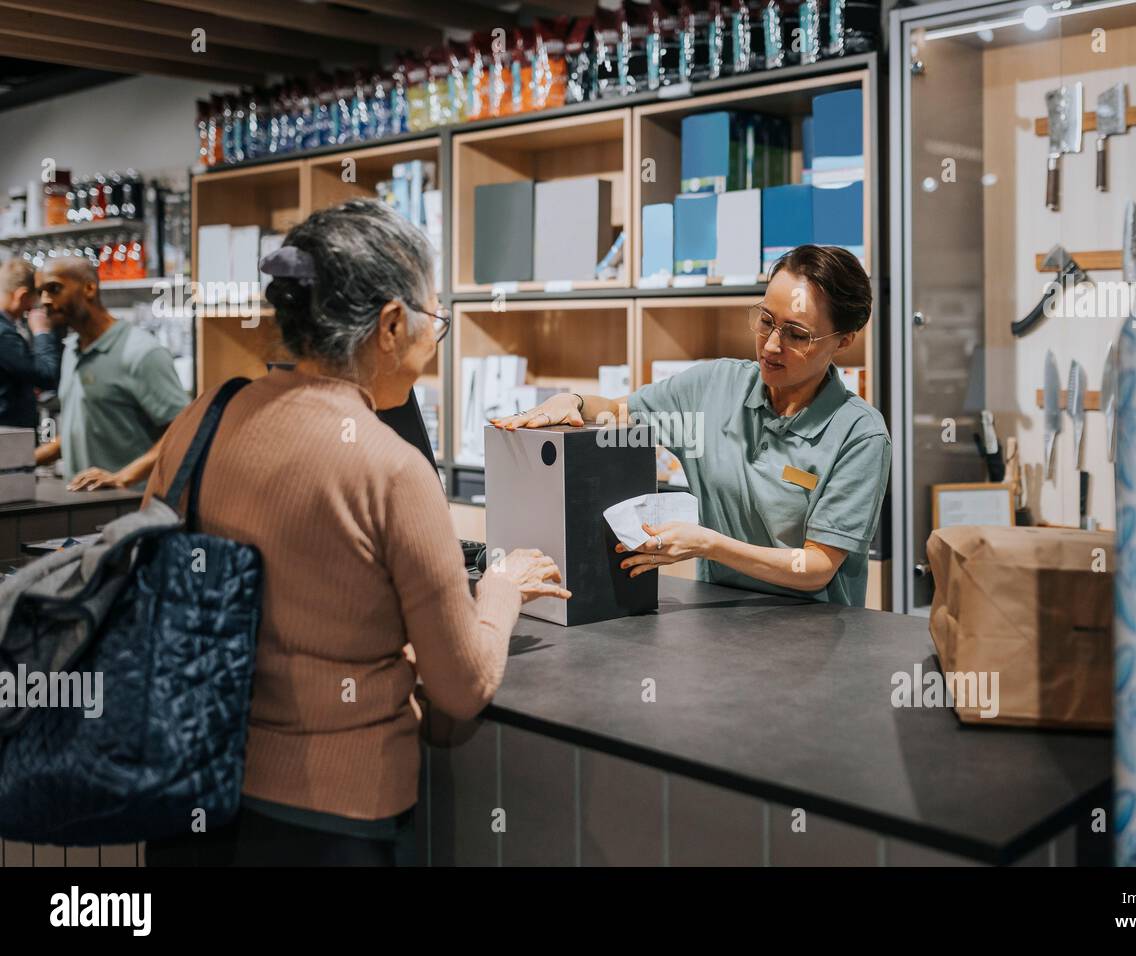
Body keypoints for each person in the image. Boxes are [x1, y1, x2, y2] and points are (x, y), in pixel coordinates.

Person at [144, 198, 568, 867]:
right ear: (392, 325)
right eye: (437, 320)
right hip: (334, 820)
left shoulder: (203, 419)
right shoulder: (389, 468)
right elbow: (460, 685)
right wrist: (503, 587)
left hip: (187, 785)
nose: (438, 336)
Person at [492, 244, 891, 608]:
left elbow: (818, 566)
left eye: (796, 334)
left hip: (819, 636)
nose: (771, 345)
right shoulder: (714, 388)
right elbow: (620, 413)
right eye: (766, 321)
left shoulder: (859, 434)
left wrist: (708, 544)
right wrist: (574, 402)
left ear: (844, 341)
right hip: (718, 620)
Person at [32, 256, 189, 490]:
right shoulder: (72, 351)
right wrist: (22, 461)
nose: (45, 300)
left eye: (54, 288)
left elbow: (185, 431)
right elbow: (86, 428)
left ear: (89, 288)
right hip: (83, 508)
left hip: (132, 510)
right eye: (40, 292)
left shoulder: (142, 352)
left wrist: (124, 477)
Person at [0, 259, 60, 430]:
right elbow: (47, 375)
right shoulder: (4, 334)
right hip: (9, 434)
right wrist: (42, 332)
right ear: (22, 296)